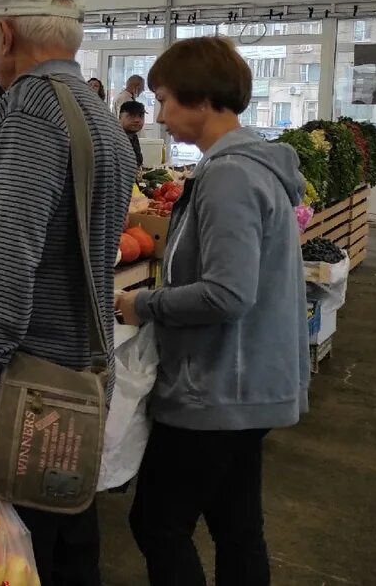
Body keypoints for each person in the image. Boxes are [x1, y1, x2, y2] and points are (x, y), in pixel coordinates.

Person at [0, 0, 134, 586]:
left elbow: (6, 265)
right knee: (65, 541)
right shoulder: (100, 118)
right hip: (73, 380)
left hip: (28, 390)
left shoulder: (28, 113)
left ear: (4, 35)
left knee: (13, 559)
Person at [114, 36, 309, 586]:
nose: (158, 116)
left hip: (219, 385)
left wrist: (141, 304)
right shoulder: (247, 167)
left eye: (165, 100)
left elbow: (228, 293)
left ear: (201, 99)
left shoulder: (229, 176)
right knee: (237, 525)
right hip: (246, 383)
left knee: (158, 524)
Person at [119, 100, 146, 167]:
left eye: (140, 116)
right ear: (120, 117)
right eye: (132, 115)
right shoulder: (117, 138)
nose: (137, 120)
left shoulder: (133, 137)